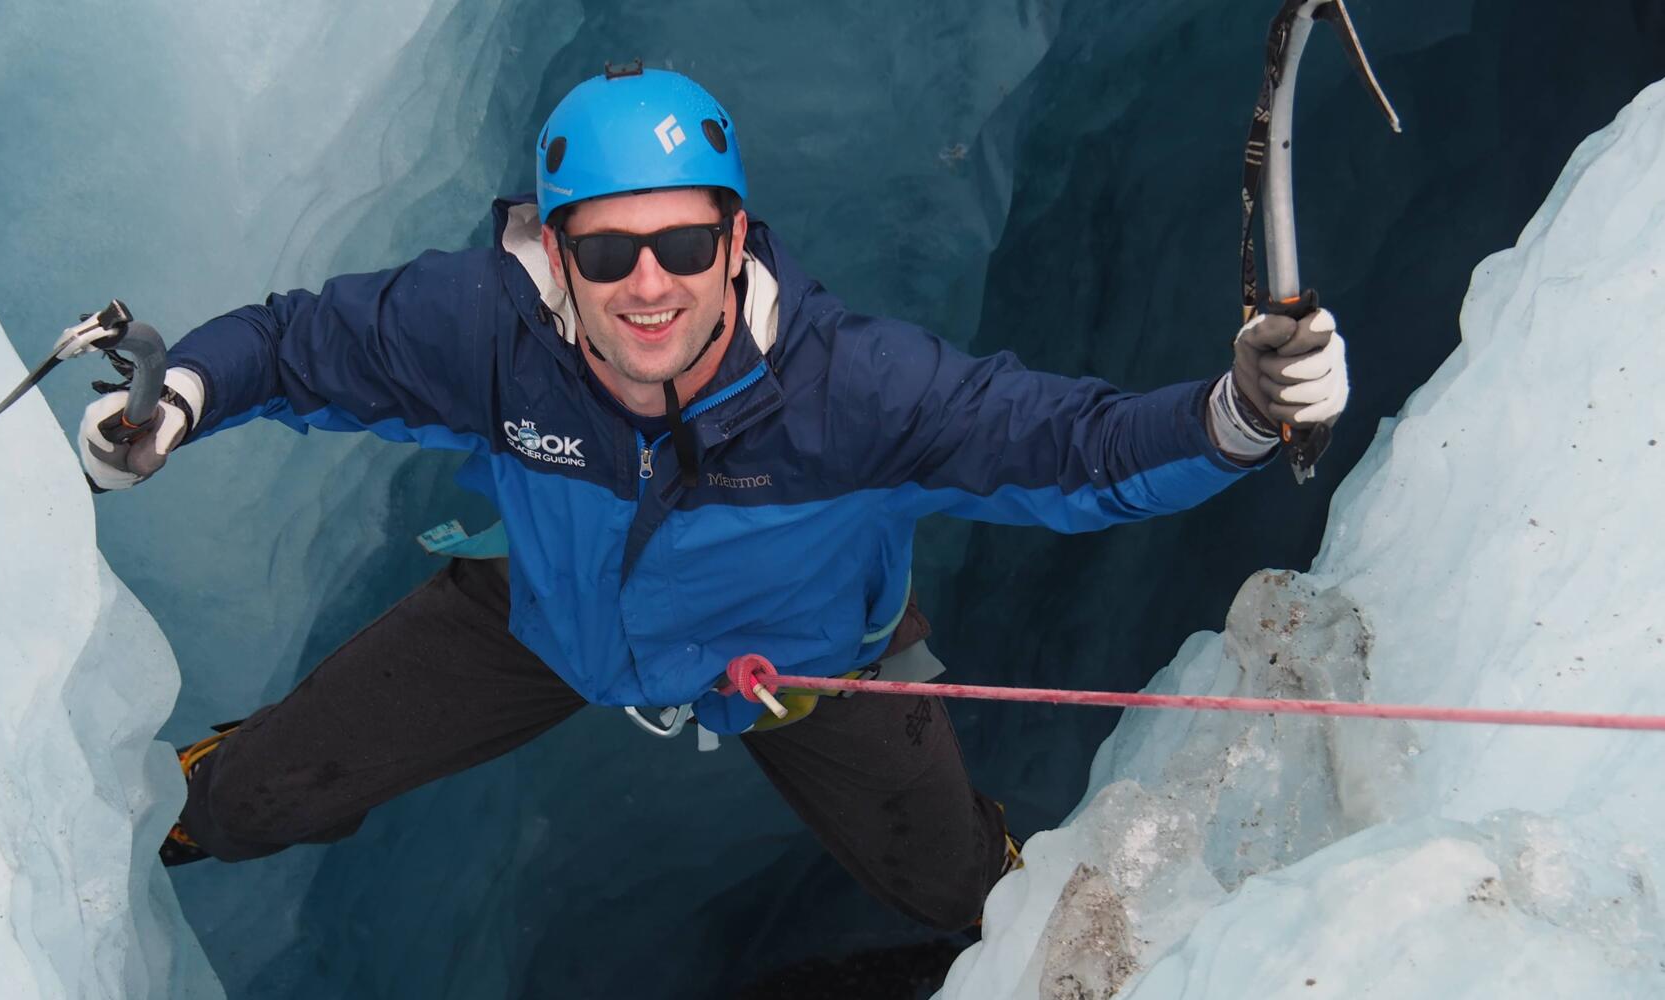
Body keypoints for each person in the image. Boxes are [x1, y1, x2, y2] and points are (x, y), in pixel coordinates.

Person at [77, 62, 1348, 931]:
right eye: (606, 251)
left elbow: (1074, 450)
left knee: (952, 882)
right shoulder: (484, 332)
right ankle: (113, 834)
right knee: (258, 795)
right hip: (547, 620)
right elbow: (296, 346)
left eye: (685, 245)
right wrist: (174, 398)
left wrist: (1235, 412)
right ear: (554, 256)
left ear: (736, 241)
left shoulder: (854, 392)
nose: (649, 284)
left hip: (802, 660)